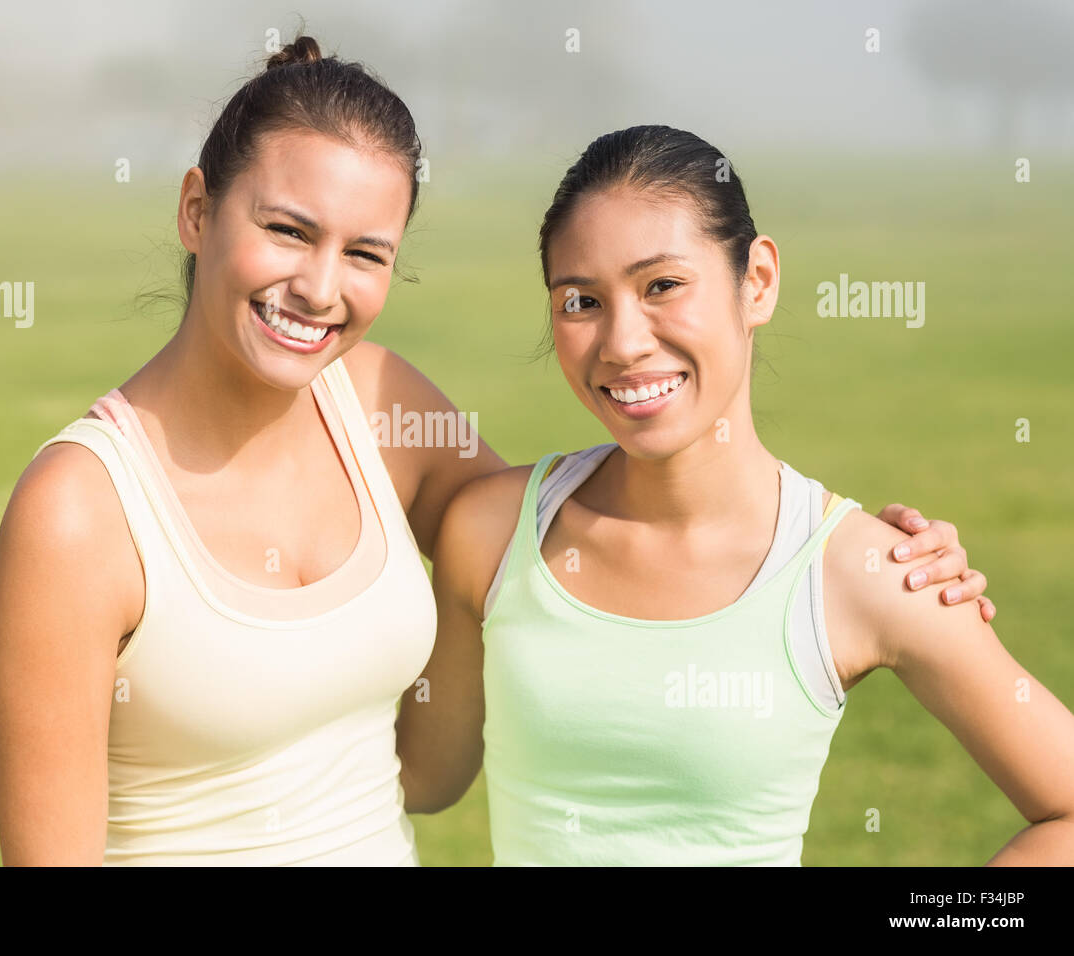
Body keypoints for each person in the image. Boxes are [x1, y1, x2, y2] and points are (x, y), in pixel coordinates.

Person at [0, 37, 994, 866]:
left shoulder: (380, 408)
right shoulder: (79, 509)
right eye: (287, 230)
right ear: (198, 210)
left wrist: (877, 562)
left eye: (366, 253)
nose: (322, 287)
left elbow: (586, 545)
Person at [396, 125, 1073, 866]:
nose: (622, 342)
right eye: (581, 300)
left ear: (757, 282)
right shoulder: (491, 532)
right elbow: (422, 779)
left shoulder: (869, 570)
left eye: (662, 285)